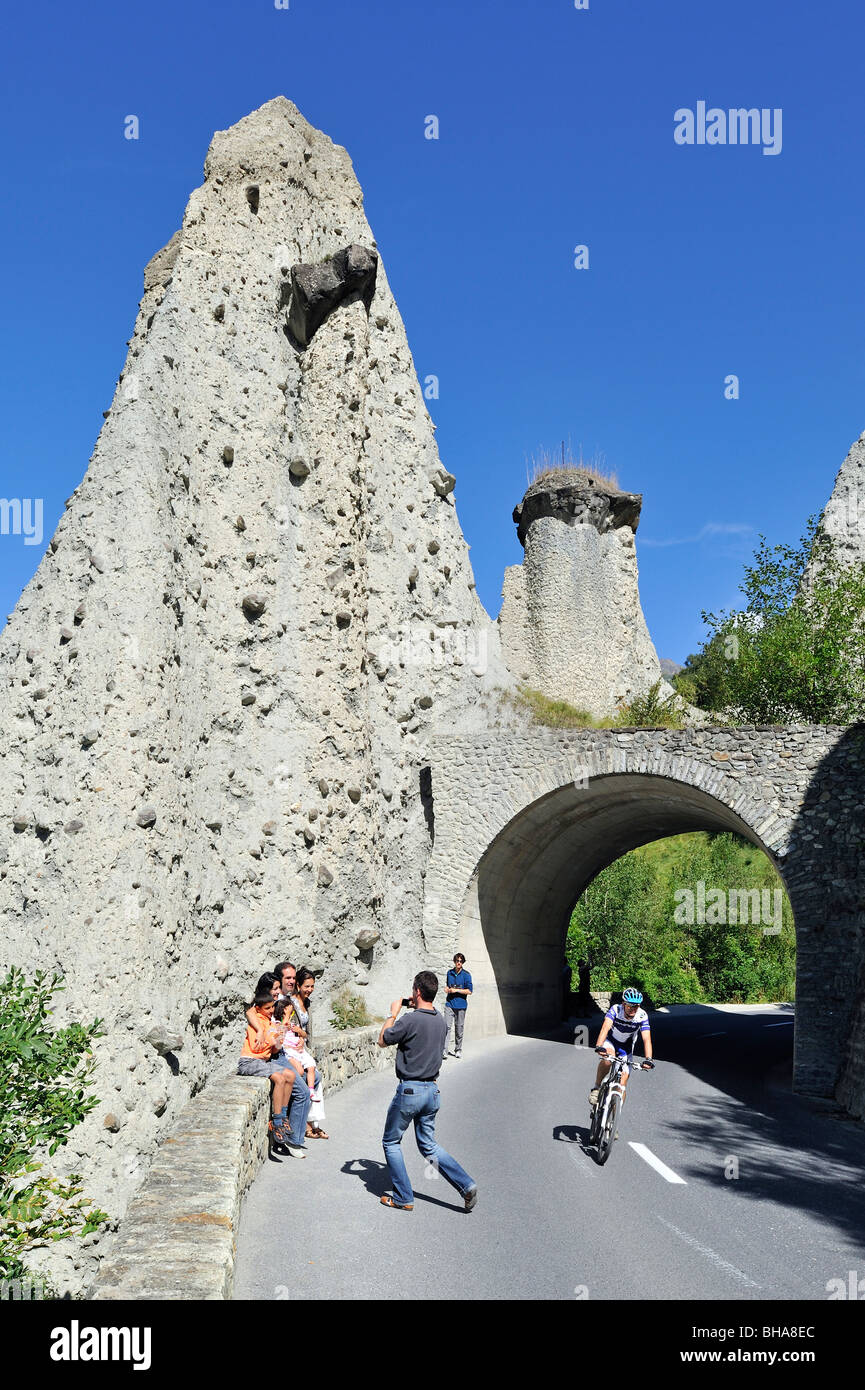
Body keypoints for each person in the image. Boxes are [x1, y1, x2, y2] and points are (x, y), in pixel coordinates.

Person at [378, 970, 478, 1213]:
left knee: (391, 1141)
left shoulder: (409, 1020)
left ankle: (403, 1196)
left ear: (417, 992)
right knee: (429, 1146)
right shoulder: (441, 1021)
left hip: (410, 1091)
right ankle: (466, 1185)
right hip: (432, 1091)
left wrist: (392, 1013)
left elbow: (383, 1040)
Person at [236, 988, 311, 1158]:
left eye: (272, 1007)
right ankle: (277, 1121)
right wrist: (276, 1032)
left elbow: (276, 1047)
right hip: (249, 1062)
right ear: (259, 1008)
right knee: (279, 1078)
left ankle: (283, 1117)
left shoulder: (269, 1023)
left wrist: (278, 1033)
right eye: (268, 1008)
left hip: (261, 1061)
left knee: (290, 1075)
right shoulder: (257, 1022)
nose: (271, 1010)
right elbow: (259, 1047)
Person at [589, 987, 654, 1108]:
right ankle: (596, 1088)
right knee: (607, 1060)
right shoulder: (616, 1009)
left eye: (636, 1006)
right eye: (630, 1006)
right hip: (611, 1042)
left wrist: (648, 1059)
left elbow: (646, 1039)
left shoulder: (642, 1015)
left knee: (622, 1085)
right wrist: (599, 1045)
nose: (633, 1009)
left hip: (626, 1048)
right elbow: (605, 1027)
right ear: (624, 1004)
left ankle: (613, 1116)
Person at [286, 968, 329, 1139]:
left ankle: (314, 1124)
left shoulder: (307, 1003)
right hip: (292, 1048)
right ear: (298, 985)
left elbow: (306, 1031)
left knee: (316, 1079)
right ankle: (306, 1125)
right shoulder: (290, 1003)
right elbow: (289, 1028)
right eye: (307, 986)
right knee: (311, 1079)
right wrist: (300, 1037)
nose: (310, 990)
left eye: (312, 986)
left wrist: (304, 1038)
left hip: (302, 1047)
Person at [443, 953, 472, 1059]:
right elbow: (448, 986)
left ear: (462, 962)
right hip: (449, 1004)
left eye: (460, 961)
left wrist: (456, 990)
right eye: (457, 961)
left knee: (459, 1028)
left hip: (461, 1005)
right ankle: (444, 1050)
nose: (458, 963)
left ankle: (458, 1050)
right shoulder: (449, 973)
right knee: (446, 1027)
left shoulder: (466, 975)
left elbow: (469, 991)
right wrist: (447, 989)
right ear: (454, 961)